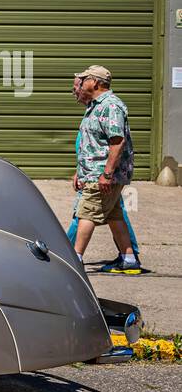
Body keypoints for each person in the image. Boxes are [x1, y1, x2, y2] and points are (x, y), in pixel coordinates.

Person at [70, 65, 139, 274]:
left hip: (102, 174)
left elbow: (117, 142)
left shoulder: (111, 106)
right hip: (93, 172)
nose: (80, 84)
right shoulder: (95, 105)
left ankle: (75, 260)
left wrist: (107, 174)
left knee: (86, 214)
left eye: (84, 79)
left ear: (96, 82)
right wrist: (79, 171)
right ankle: (128, 259)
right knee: (114, 215)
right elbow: (92, 143)